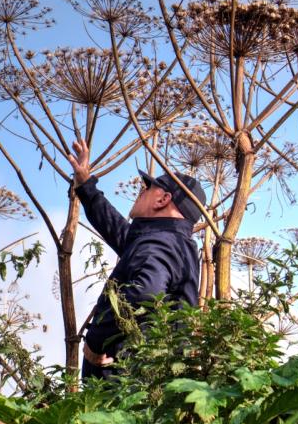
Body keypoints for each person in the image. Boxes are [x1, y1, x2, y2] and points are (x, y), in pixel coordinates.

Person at [67, 139, 205, 380]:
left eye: (147, 188)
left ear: (163, 200)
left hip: (129, 381)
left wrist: (96, 341)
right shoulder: (170, 242)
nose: (141, 192)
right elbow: (120, 232)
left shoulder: (160, 243)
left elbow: (146, 294)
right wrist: (85, 184)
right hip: (148, 377)